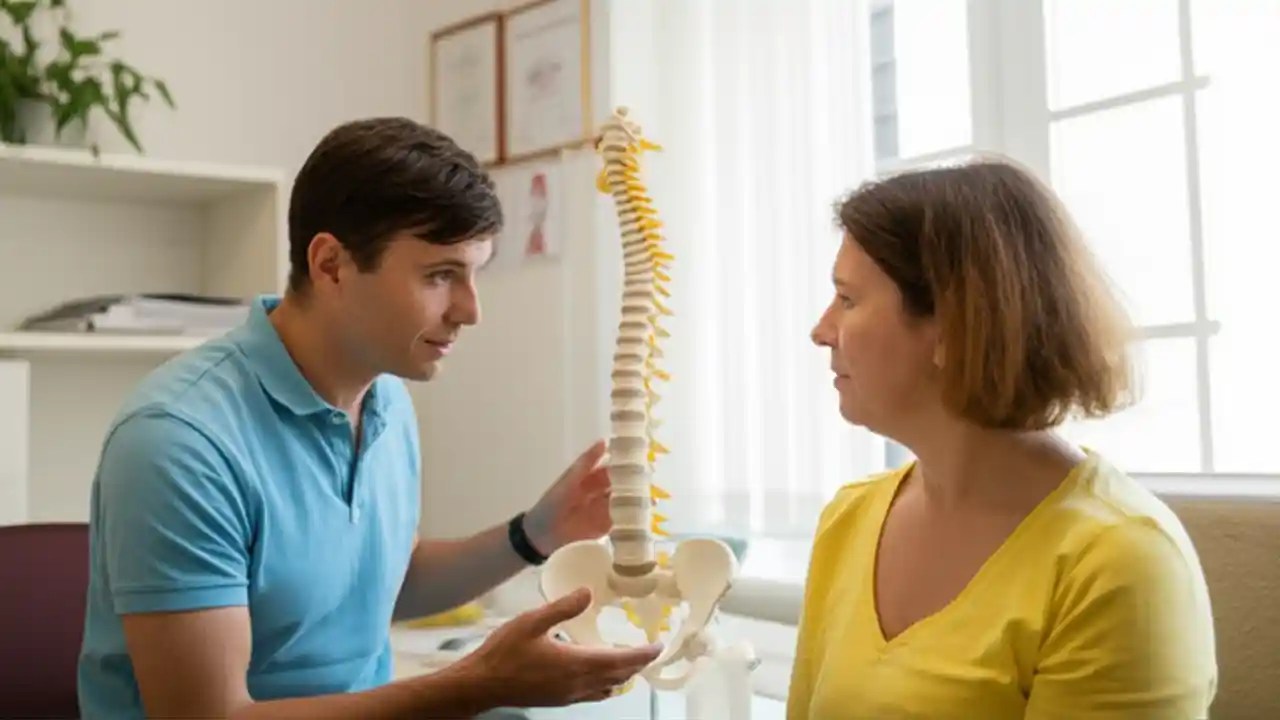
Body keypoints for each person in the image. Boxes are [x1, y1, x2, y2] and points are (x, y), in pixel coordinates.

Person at [76, 117, 661, 719]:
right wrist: (476, 683)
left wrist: (535, 533)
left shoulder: (385, 401)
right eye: (440, 275)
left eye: (474, 273)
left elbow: (380, 585)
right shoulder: (178, 442)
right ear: (331, 264)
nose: (470, 310)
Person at [790, 158, 1217, 719]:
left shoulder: (1118, 564)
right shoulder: (847, 520)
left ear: (953, 326)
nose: (821, 331)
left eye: (847, 300)